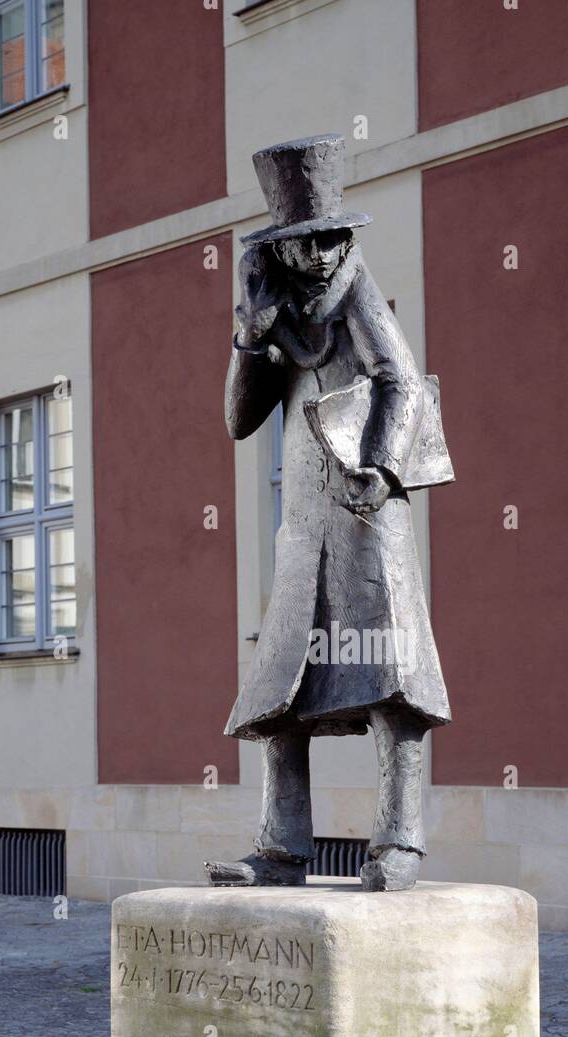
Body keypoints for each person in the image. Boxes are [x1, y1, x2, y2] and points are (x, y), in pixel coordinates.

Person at [206, 135, 451, 892]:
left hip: (367, 509)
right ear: (278, 250)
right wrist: (250, 339)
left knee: (389, 678)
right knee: (281, 690)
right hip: (305, 521)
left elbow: (400, 383)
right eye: (303, 243)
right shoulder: (276, 316)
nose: (319, 255)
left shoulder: (358, 295)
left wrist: (378, 467)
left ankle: (397, 845)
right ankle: (281, 851)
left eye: (330, 240)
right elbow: (239, 420)